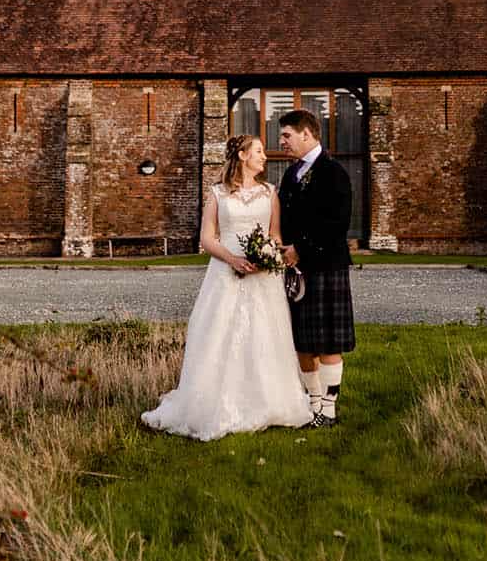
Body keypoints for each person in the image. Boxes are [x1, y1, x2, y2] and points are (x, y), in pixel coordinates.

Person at [139, 134, 315, 440]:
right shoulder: (218, 193)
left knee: (264, 334)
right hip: (224, 272)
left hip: (263, 278)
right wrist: (232, 259)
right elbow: (207, 239)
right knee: (220, 333)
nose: (264, 156)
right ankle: (217, 402)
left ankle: (269, 401)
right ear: (243, 156)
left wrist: (268, 256)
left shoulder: (269, 192)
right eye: (259, 151)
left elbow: (274, 234)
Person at [277, 108, 356, 427]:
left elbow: (337, 224)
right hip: (294, 267)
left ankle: (329, 410)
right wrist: (279, 247)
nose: (282, 141)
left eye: (286, 135)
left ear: (306, 134)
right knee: (302, 340)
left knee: (327, 342)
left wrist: (300, 249)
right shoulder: (291, 174)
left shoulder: (333, 172)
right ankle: (312, 405)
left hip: (325, 266)